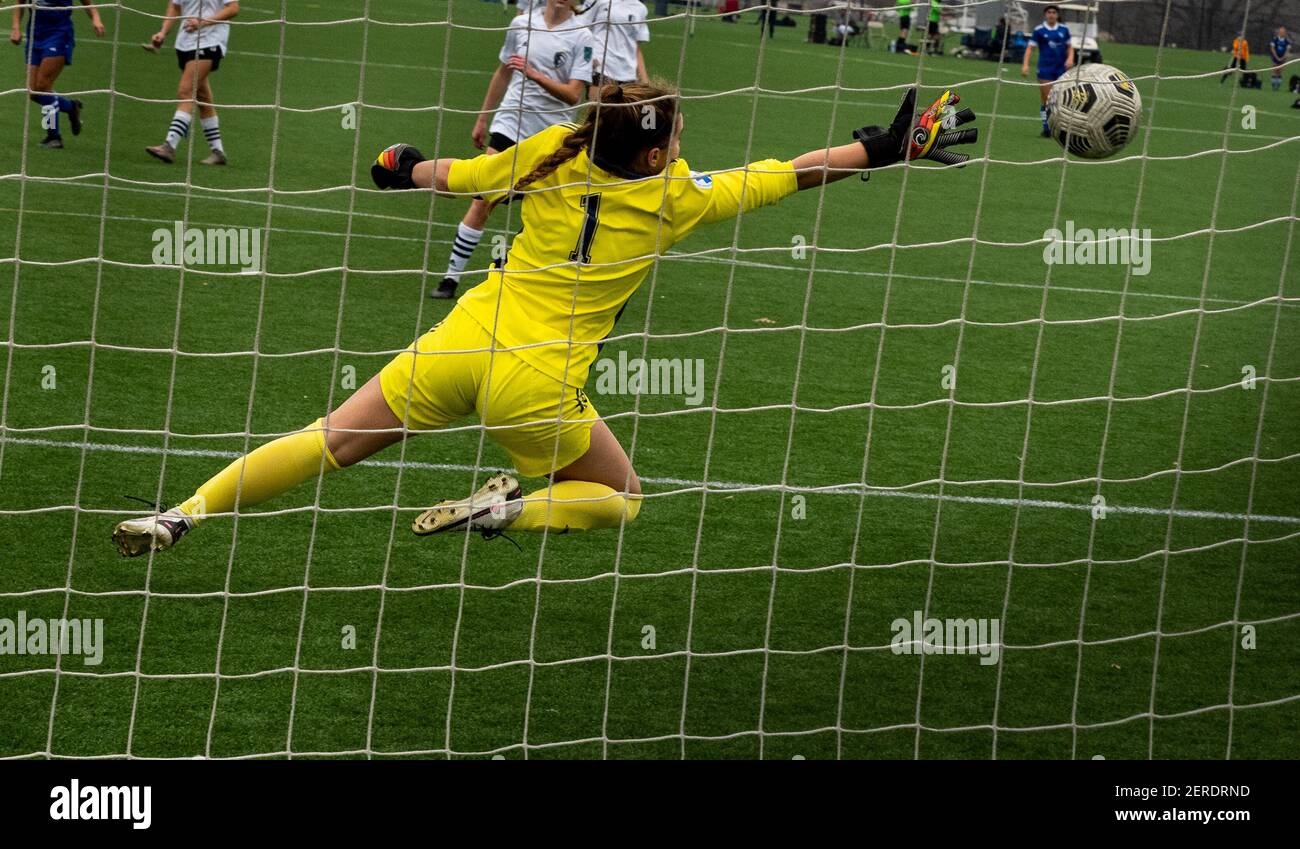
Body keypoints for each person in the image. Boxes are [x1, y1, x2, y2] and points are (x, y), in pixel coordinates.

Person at [111, 84, 980, 556]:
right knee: (621, 499)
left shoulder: (551, 152)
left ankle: (183, 514)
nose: (681, 145)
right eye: (674, 136)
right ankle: (500, 514)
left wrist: (397, 163)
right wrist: (882, 151)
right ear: (650, 155)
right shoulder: (671, 200)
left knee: (327, 440)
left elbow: (448, 175)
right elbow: (784, 173)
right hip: (534, 385)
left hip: (463, 340)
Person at [433, 0, 593, 302]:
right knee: (483, 198)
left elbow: (574, 95)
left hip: (552, 136)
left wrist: (536, 76)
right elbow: (503, 73)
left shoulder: (582, 36)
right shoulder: (521, 25)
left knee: (542, 211)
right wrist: (483, 117)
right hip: (510, 124)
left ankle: (519, 273)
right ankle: (450, 279)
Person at [144, 0, 240, 165]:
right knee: (202, 97)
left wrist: (203, 22)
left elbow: (233, 8)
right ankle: (218, 152)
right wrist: (163, 32)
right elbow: (175, 6)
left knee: (185, 91)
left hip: (210, 41)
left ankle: (169, 146)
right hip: (185, 43)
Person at [9, 0, 105, 150]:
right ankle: (70, 107)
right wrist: (15, 27)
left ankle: (54, 137)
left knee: (43, 86)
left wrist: (96, 18)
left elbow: (87, 2)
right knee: (33, 92)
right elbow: (20, 3)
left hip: (58, 33)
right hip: (35, 34)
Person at [1021, 4, 1073, 137]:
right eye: (1049, 12)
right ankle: (1047, 128)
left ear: (1057, 15)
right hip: (1045, 69)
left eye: (1054, 12)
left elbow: (1070, 46)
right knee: (1047, 99)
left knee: (1063, 99)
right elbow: (1030, 48)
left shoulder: (1064, 29)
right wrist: (1025, 65)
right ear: (1045, 15)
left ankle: (1063, 126)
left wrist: (1070, 58)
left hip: (1061, 69)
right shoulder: (1039, 30)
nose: (1051, 14)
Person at [580, 0, 649, 97]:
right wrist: (589, 56)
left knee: (623, 112)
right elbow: (580, 29)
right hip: (601, 68)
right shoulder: (595, 1)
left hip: (628, 75)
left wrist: (644, 81)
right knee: (598, 110)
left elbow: (636, 48)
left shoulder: (640, 8)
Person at [1269, 26, 1292, 91]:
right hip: (1275, 58)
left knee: (1279, 72)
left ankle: (1277, 86)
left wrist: (1283, 57)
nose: (1282, 33)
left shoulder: (1286, 41)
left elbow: (1288, 50)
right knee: (1274, 71)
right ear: (1279, 32)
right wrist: (1277, 57)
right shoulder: (1275, 39)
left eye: (1283, 32)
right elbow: (1272, 49)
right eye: (1281, 32)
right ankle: (1273, 86)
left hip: (1282, 59)